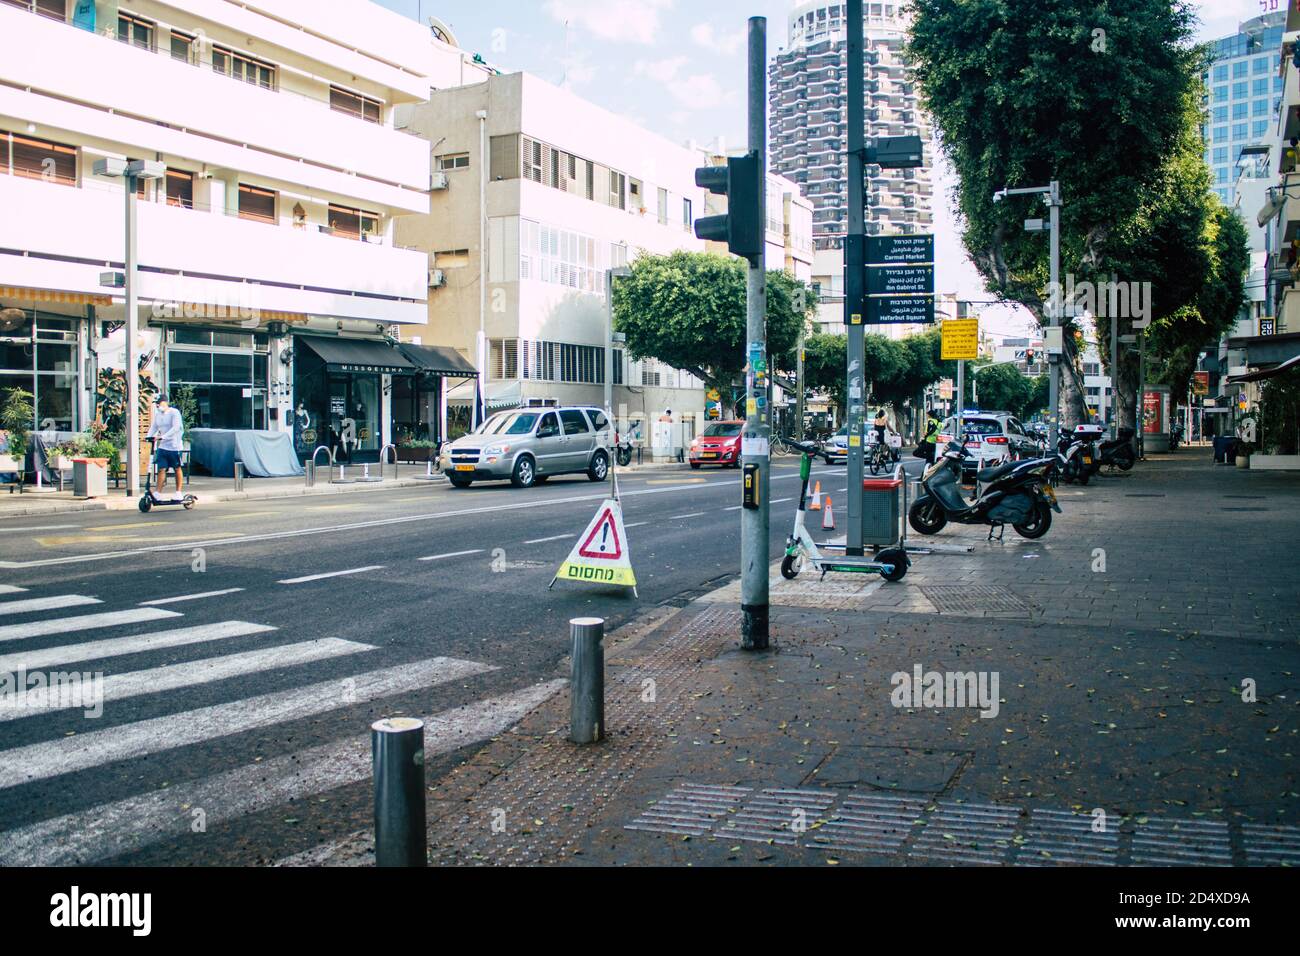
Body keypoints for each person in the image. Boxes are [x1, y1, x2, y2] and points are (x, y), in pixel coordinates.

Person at [146, 394, 185, 494]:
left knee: (177, 468)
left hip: (174, 446)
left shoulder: (174, 413)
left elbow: (176, 428)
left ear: (165, 402)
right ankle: (157, 493)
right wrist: (148, 436)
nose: (158, 405)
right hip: (163, 446)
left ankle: (178, 492)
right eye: (157, 404)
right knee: (161, 469)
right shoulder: (158, 415)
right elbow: (154, 427)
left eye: (159, 403)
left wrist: (163, 436)